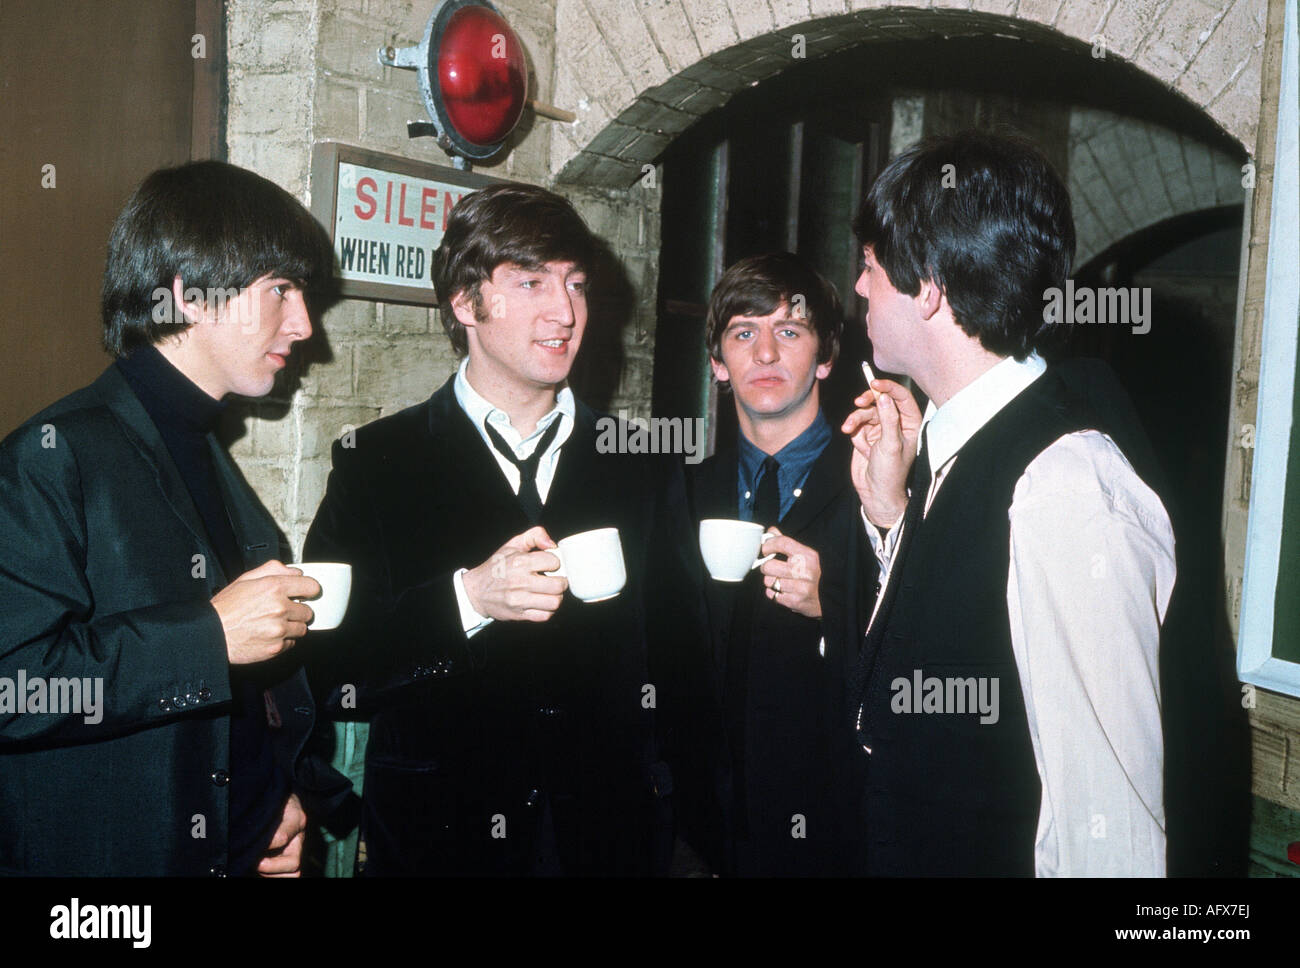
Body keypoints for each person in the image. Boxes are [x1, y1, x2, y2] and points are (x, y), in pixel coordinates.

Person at [303, 182, 700, 876]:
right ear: (466, 301)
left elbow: (686, 662)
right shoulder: (376, 463)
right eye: (531, 282)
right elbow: (329, 664)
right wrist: (466, 600)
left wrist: (685, 827)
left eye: (575, 284)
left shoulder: (643, 462)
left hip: (608, 846)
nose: (565, 311)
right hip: (438, 848)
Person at [0, 160, 346, 876]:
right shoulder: (52, 456)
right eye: (280, 290)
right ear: (190, 296)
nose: (305, 324)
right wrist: (207, 637)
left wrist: (271, 805)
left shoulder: (201, 446)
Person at [843, 130, 1174, 876]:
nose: (859, 287)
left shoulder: (1065, 484)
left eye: (869, 266)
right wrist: (894, 518)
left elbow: (1108, 827)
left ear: (928, 284)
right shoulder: (963, 444)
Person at [681, 253, 870, 876]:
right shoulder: (679, 496)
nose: (764, 354)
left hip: (841, 838)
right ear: (717, 364)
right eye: (743, 333)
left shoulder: (881, 488)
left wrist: (833, 604)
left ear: (825, 358)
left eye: (788, 331)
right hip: (708, 840)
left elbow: (933, 651)